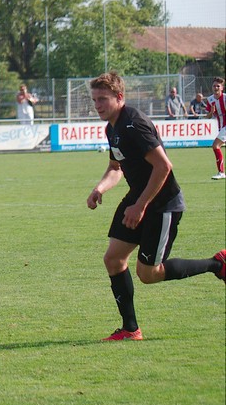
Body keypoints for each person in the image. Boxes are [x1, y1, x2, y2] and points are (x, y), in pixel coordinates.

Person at [85, 72, 225, 341]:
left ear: (119, 98)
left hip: (162, 204)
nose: (98, 105)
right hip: (138, 198)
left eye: (103, 99)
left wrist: (140, 206)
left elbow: (163, 167)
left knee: (148, 274)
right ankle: (130, 329)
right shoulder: (112, 128)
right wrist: (99, 188)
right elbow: (116, 167)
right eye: (94, 100)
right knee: (113, 260)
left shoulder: (133, 125)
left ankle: (216, 264)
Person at [205, 76, 226, 180]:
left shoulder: (225, 98)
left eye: (218, 86)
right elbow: (207, 117)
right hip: (221, 127)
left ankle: (221, 172)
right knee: (217, 147)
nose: (216, 87)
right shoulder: (210, 100)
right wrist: (211, 112)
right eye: (214, 86)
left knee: (215, 146)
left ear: (222, 88)